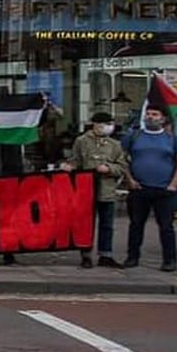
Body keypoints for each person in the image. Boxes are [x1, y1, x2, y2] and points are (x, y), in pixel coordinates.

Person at [121, 103, 177, 272]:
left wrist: (173, 185)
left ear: (162, 118)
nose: (150, 117)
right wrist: (129, 180)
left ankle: (169, 260)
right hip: (139, 189)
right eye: (148, 113)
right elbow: (121, 159)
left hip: (165, 191)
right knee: (136, 225)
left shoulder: (172, 139)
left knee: (166, 227)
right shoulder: (133, 136)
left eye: (155, 114)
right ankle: (132, 257)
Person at [61, 111, 127, 269]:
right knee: (85, 224)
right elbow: (75, 160)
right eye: (104, 124)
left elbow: (122, 167)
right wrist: (68, 166)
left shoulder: (115, 145)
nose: (108, 127)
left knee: (107, 225)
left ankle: (106, 255)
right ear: (95, 125)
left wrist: (109, 168)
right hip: (86, 190)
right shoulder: (82, 141)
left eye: (110, 124)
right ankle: (86, 254)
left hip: (107, 190)